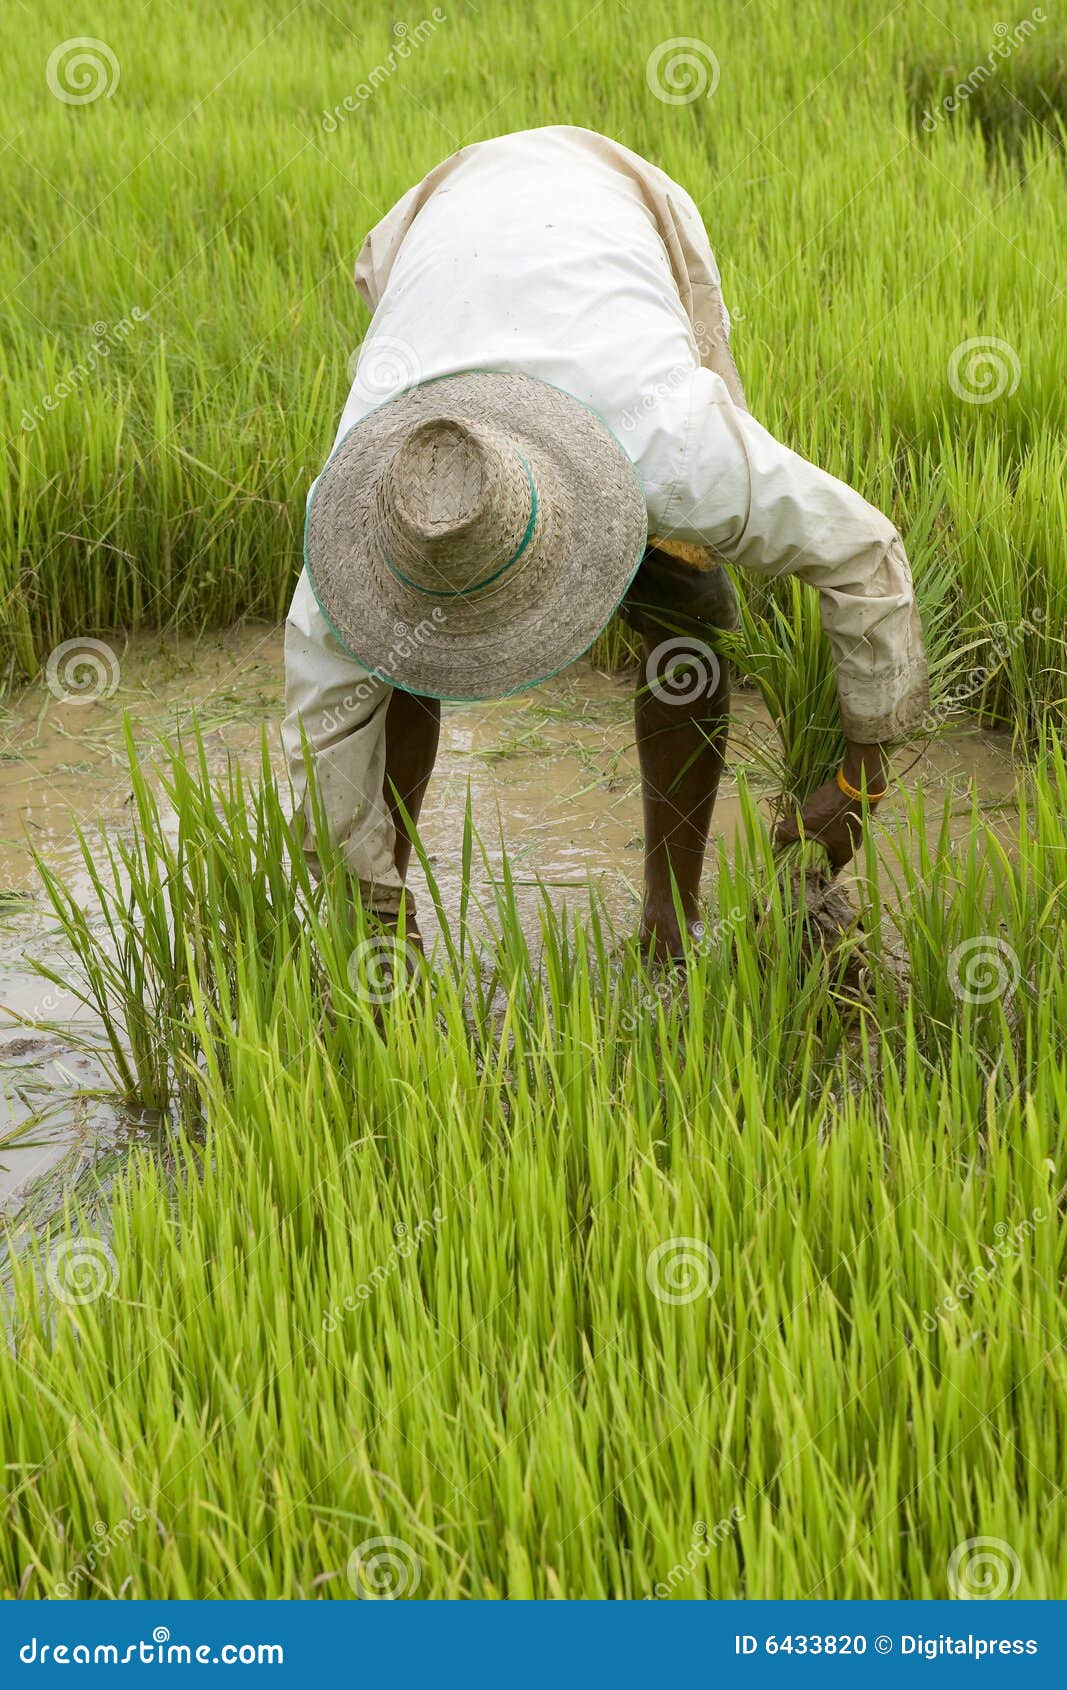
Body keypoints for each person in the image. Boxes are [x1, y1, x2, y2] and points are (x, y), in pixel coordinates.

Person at [282, 126, 928, 959]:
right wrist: (370, 909)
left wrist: (858, 780)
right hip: (436, 233)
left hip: (613, 205)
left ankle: (670, 917)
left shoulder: (676, 445)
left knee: (685, 611)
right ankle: (393, 890)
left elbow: (864, 552)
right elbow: (322, 742)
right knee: (399, 656)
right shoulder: (368, 506)